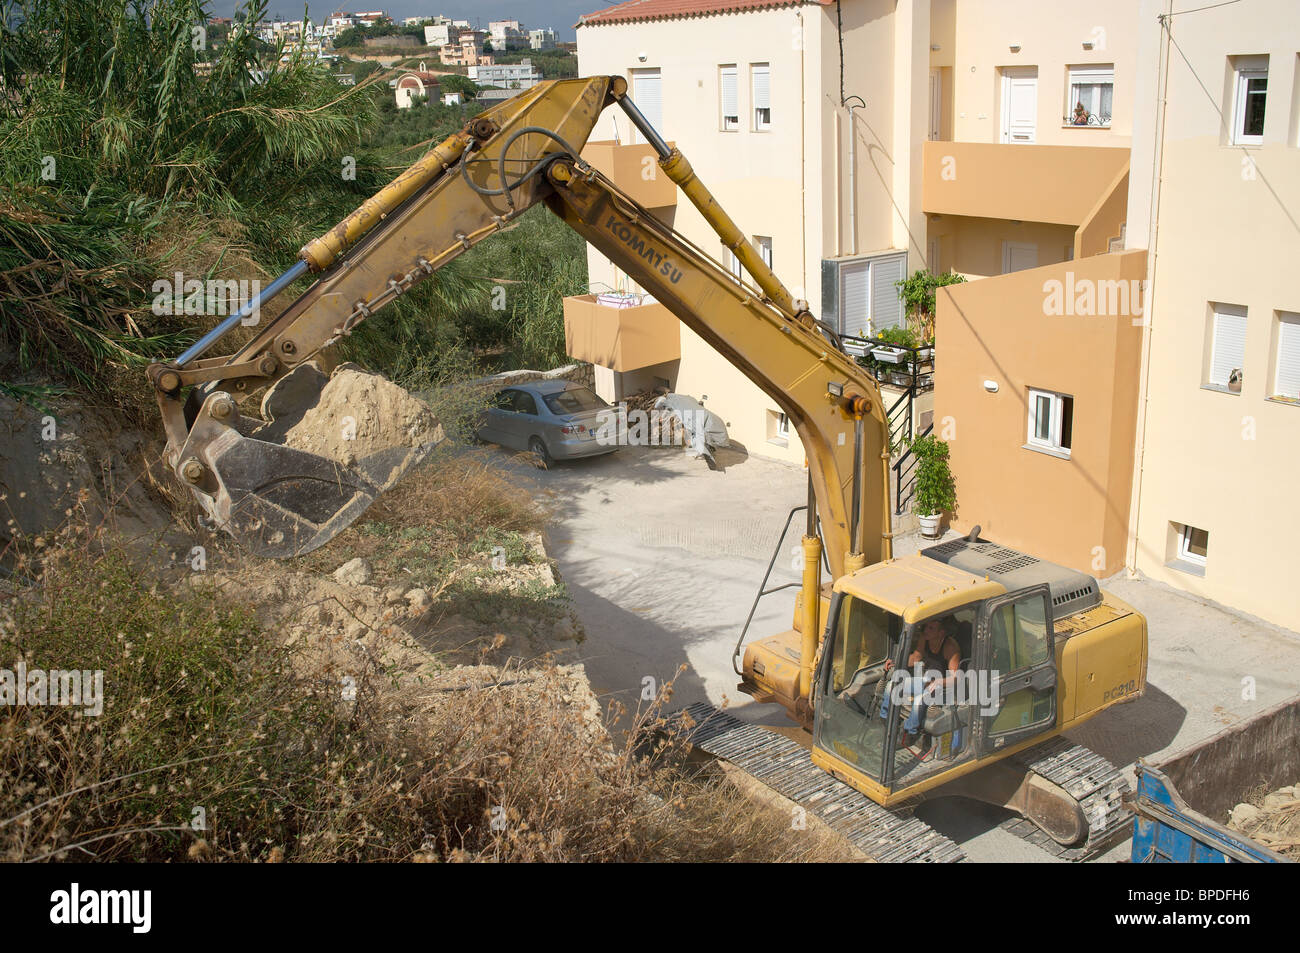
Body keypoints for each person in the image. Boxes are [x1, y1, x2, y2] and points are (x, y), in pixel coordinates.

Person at [880, 616, 962, 747]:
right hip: (925, 680)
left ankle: (909, 734)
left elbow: (955, 677)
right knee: (892, 686)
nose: (926, 630)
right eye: (926, 627)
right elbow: (916, 658)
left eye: (931, 628)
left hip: (942, 688)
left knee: (919, 701)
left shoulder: (950, 647)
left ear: (941, 633)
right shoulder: (925, 639)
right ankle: (885, 721)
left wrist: (939, 682)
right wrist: (896, 662)